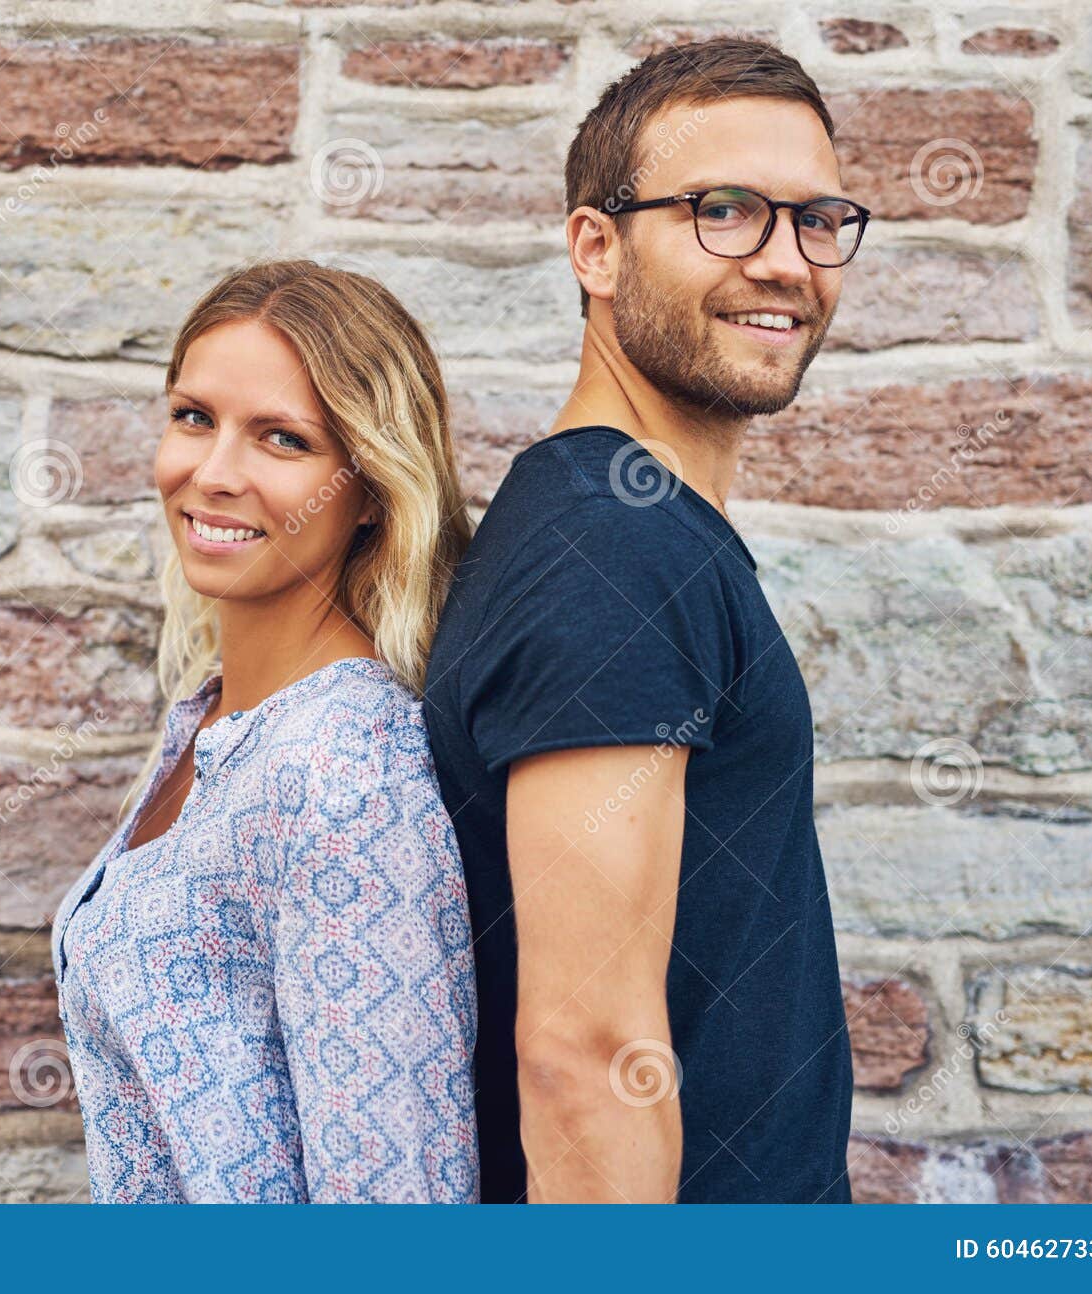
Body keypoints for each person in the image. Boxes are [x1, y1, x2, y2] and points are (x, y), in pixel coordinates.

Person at [422, 37, 867, 1203]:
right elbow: (582, 1059)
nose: (784, 262)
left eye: (817, 220)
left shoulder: (633, 528)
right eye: (724, 211)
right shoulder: (613, 551)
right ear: (596, 246)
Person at [51, 259, 479, 1203]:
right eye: (194, 416)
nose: (212, 473)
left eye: (281, 439)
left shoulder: (344, 774)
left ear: (368, 487)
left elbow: (392, 1205)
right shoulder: (209, 720)